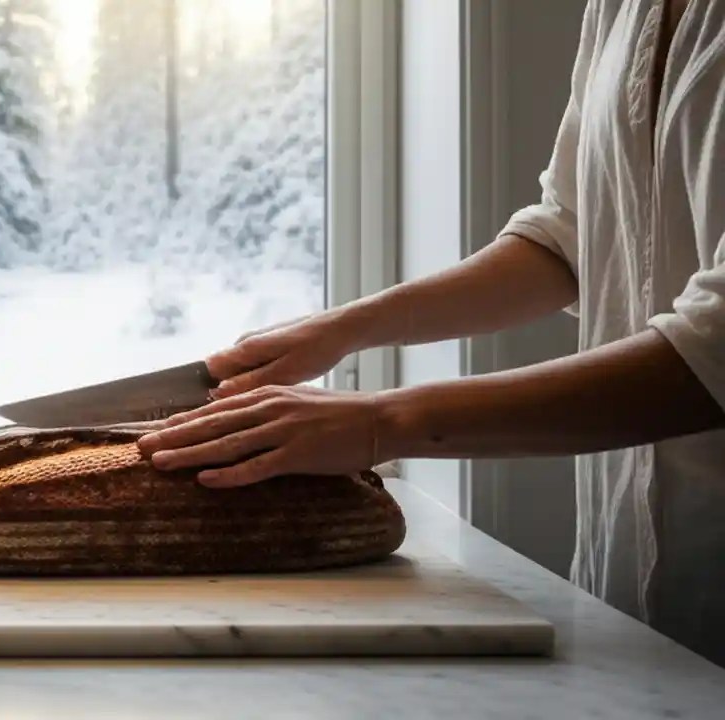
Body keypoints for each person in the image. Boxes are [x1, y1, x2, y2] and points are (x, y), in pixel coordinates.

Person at [137, 0, 725, 666]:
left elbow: (715, 347)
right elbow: (569, 238)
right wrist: (349, 326)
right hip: (626, 595)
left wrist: (382, 421)